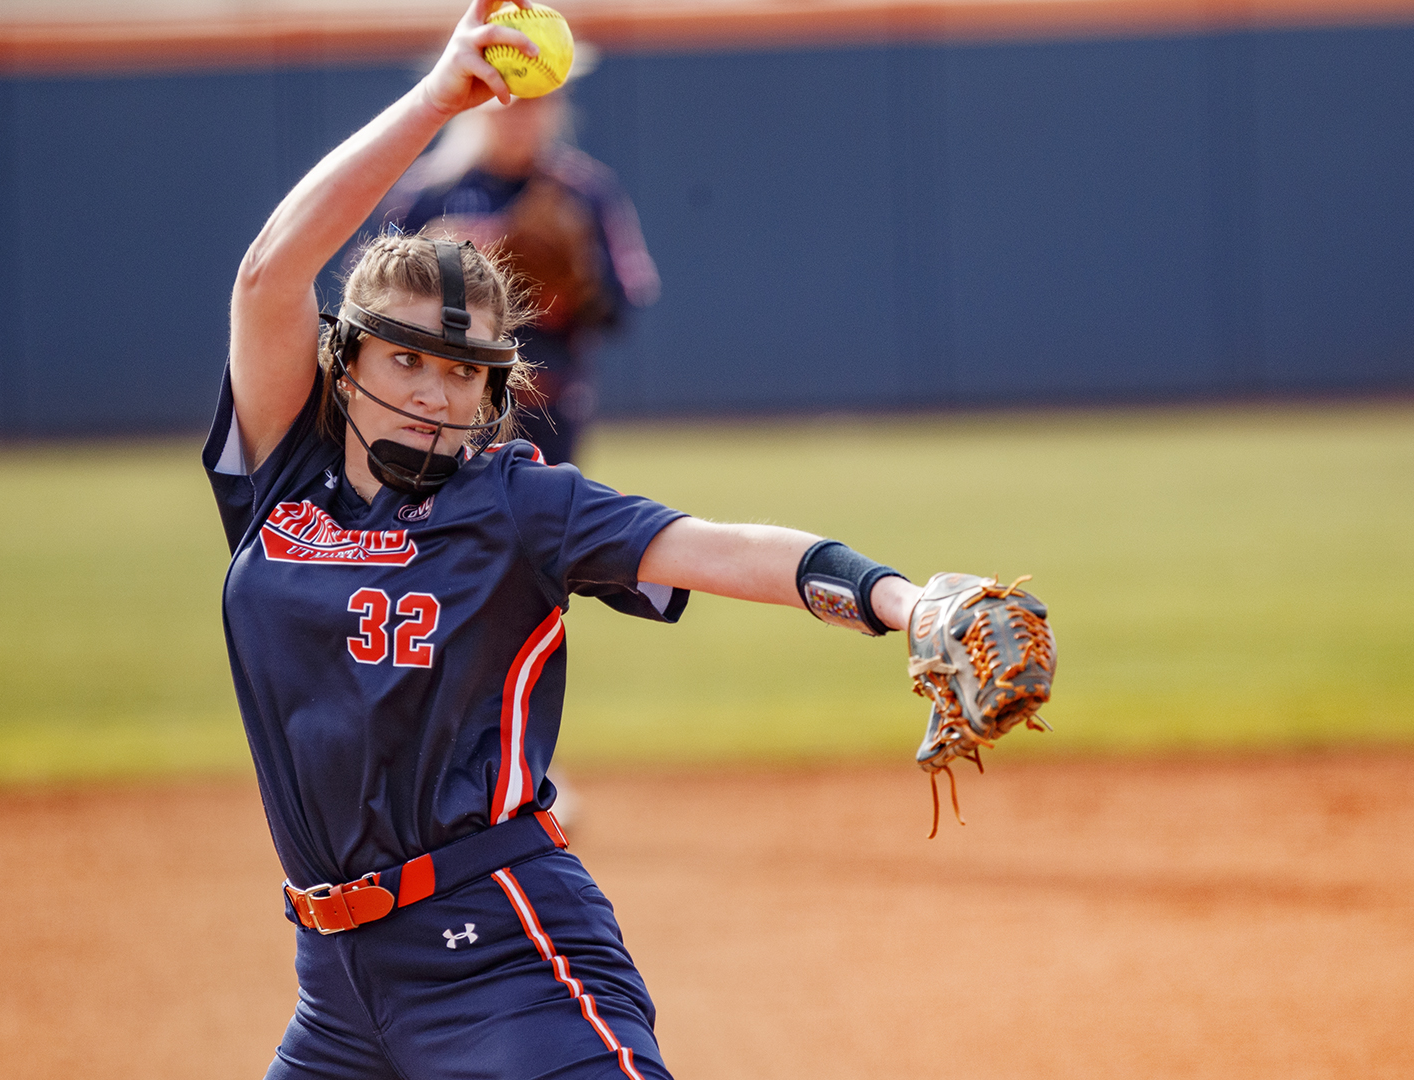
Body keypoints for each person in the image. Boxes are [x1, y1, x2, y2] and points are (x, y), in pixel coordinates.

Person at [209, 5, 945, 1078]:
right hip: (334, 998)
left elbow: (721, 549)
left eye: (463, 373)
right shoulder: (280, 473)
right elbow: (269, 274)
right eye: (407, 360)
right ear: (346, 359)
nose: (434, 394)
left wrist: (905, 601)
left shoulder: (515, 502)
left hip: (505, 963)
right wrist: (440, 99)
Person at [378, 85, 658, 466]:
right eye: (505, 104)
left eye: (531, 105)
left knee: (544, 504)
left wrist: (574, 295)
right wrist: (442, 251)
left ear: (554, 108)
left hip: (547, 401)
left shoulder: (585, 192)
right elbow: (371, 294)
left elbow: (623, 302)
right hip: (447, 402)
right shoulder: (430, 193)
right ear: (477, 108)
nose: (517, 118)